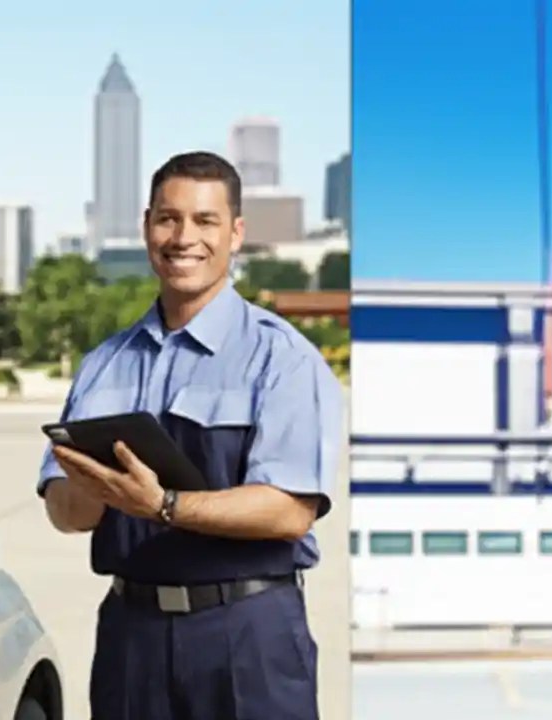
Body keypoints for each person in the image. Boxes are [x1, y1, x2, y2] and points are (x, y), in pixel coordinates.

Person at [35, 151, 344, 720]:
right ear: (146, 226)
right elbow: (65, 511)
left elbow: (289, 510)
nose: (184, 238)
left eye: (205, 221)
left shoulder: (282, 359)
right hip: (132, 638)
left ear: (236, 234)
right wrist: (93, 489)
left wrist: (162, 505)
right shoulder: (104, 364)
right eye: (168, 219)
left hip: (247, 635)